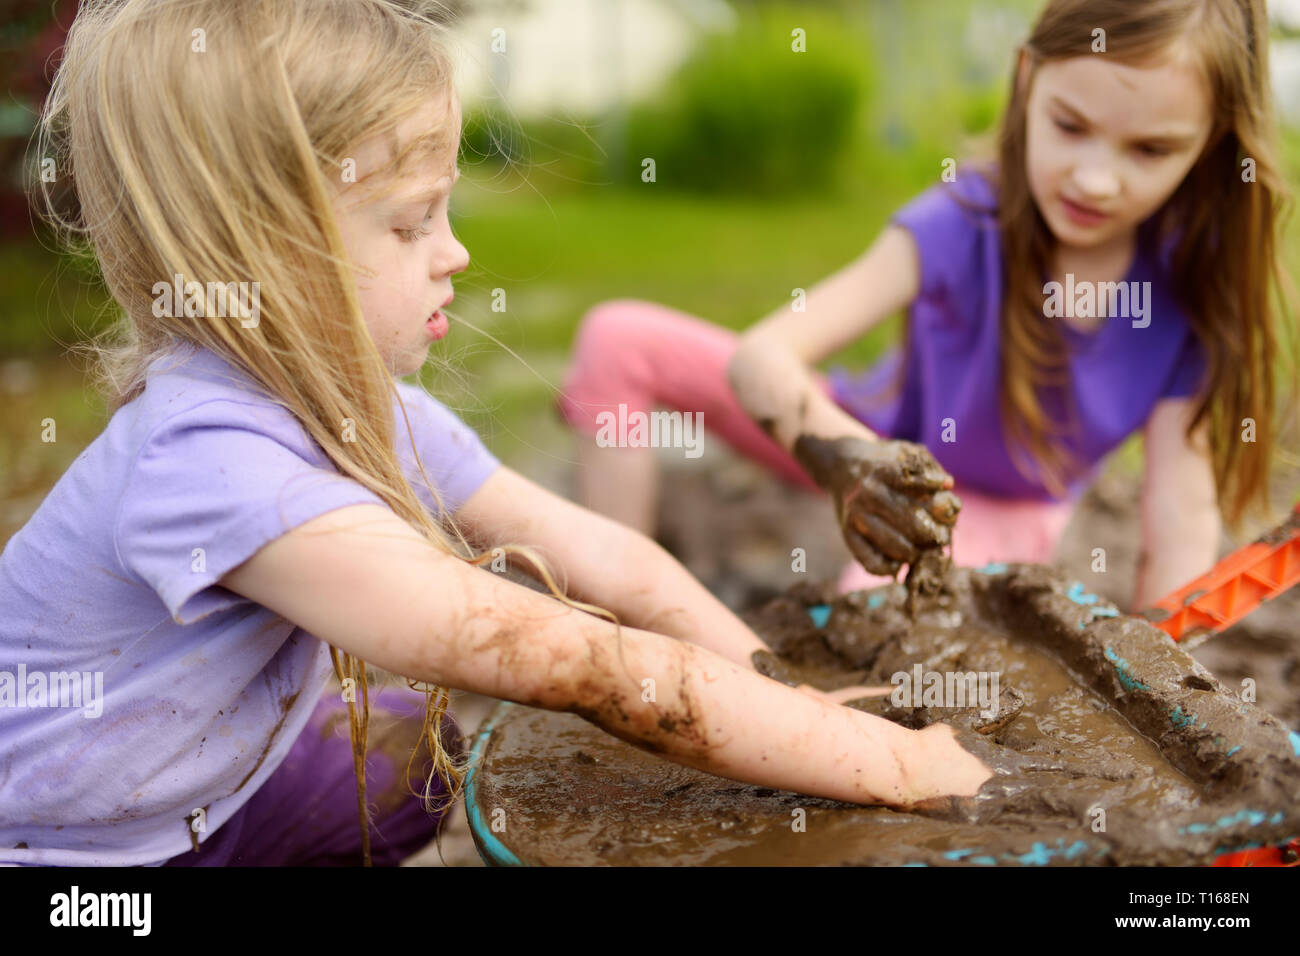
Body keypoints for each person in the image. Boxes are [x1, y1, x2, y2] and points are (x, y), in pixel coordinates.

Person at [0, 0, 991, 868]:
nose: (456, 253)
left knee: (424, 763)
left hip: (206, 794)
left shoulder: (346, 402)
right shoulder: (211, 465)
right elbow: (569, 660)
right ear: (260, 253)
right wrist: (899, 765)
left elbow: (607, 557)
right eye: (410, 224)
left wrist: (797, 700)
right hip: (77, 856)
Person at [558, 0, 1293, 612]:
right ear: (1028, 79)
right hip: (862, 433)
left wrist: (1159, 651)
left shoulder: (1189, 303)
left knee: (873, 622)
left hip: (989, 504)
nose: (1096, 180)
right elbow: (763, 357)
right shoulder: (961, 221)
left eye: (1150, 150)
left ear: (1211, 146)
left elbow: (1181, 516)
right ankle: (614, 609)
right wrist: (854, 465)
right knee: (617, 339)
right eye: (1071, 127)